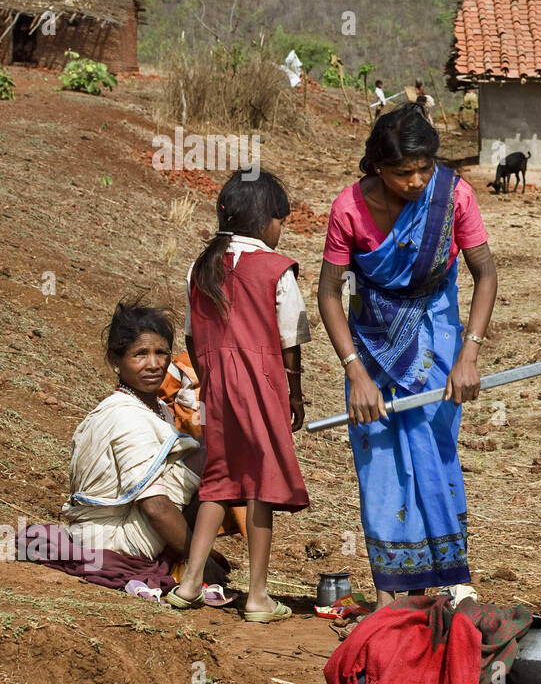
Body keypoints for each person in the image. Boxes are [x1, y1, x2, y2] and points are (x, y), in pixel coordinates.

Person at [317, 102, 496, 608]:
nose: (416, 181)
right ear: (377, 165)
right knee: (379, 456)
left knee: (433, 449)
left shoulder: (453, 196)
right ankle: (394, 592)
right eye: (402, 172)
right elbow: (329, 293)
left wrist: (469, 354)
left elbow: (487, 274)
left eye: (424, 169)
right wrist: (355, 372)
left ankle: (451, 580)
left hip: (436, 334)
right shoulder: (348, 208)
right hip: (369, 341)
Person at [166, 169, 310, 623]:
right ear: (266, 220)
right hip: (261, 386)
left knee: (218, 479)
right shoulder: (275, 269)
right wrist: (296, 394)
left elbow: (191, 337)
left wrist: (210, 375)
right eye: (280, 220)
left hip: (217, 390)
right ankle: (258, 596)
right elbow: (291, 340)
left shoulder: (201, 266)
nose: (280, 229)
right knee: (260, 486)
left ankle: (189, 583)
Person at [20, 299, 226, 596]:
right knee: (214, 456)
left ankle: (191, 548)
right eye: (140, 354)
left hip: (109, 528)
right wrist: (199, 560)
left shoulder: (153, 407)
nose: (153, 364)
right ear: (116, 361)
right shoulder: (127, 415)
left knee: (208, 451)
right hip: (113, 540)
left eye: (161, 353)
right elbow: (155, 508)